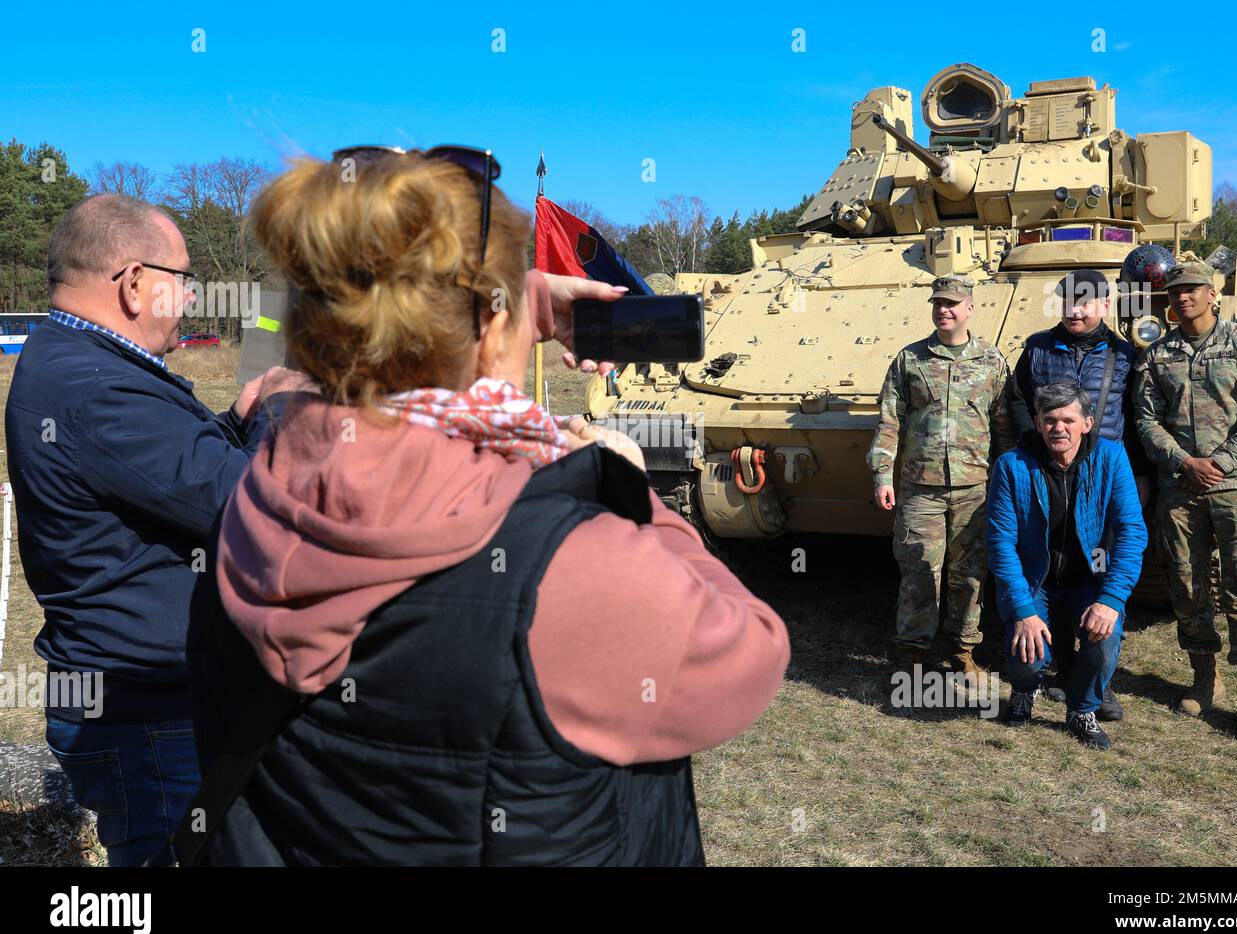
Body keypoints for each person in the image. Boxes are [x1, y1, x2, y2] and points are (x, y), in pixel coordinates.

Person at [186, 146, 791, 865]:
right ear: (490, 324)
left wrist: (506, 307)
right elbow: (753, 653)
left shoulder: (262, 488)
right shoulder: (575, 560)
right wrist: (638, 499)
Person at [4, 193, 303, 865]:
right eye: (183, 279)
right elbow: (252, 504)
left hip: (139, 696)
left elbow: (159, 479)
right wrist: (284, 406)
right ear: (135, 284)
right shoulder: (97, 387)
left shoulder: (79, 363)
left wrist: (239, 418)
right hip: (147, 710)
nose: (192, 299)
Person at [1131, 260, 1237, 737]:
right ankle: (1204, 679)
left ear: (1212, 293)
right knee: (1188, 587)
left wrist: (1218, 463)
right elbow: (1145, 421)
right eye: (1175, 291)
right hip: (1181, 488)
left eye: (1193, 289)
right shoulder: (1156, 356)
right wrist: (1184, 462)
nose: (1183, 297)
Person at [1004, 268, 1152, 720]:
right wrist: (1039, 443)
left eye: (1086, 301)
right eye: (1069, 300)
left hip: (1105, 478)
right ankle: (1057, 666)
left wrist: (1142, 476)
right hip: (1047, 468)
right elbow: (1016, 400)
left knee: (1097, 568)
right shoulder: (1038, 348)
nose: (1076, 309)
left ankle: (1092, 679)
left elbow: (1138, 415)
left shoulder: (1125, 355)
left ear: (1105, 306)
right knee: (1048, 560)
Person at [868, 274, 1015, 680]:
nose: (943, 310)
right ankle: (913, 651)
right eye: (937, 303)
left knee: (969, 574)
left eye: (951, 303)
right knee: (918, 572)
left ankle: (961, 649)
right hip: (921, 489)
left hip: (975, 489)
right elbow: (889, 422)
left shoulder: (992, 362)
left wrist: (1007, 484)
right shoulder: (910, 360)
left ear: (969, 307)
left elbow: (1003, 428)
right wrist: (883, 475)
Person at [986, 382, 1147, 750]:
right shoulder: (1012, 465)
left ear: (1087, 423)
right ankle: (1025, 690)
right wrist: (1024, 610)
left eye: (1068, 420)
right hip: (1034, 580)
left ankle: (1083, 709)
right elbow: (1000, 544)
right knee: (1027, 651)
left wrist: (1111, 599)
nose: (1059, 428)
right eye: (1050, 420)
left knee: (1105, 636)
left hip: (1090, 576)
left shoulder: (1111, 457)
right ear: (1039, 423)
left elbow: (1131, 532)